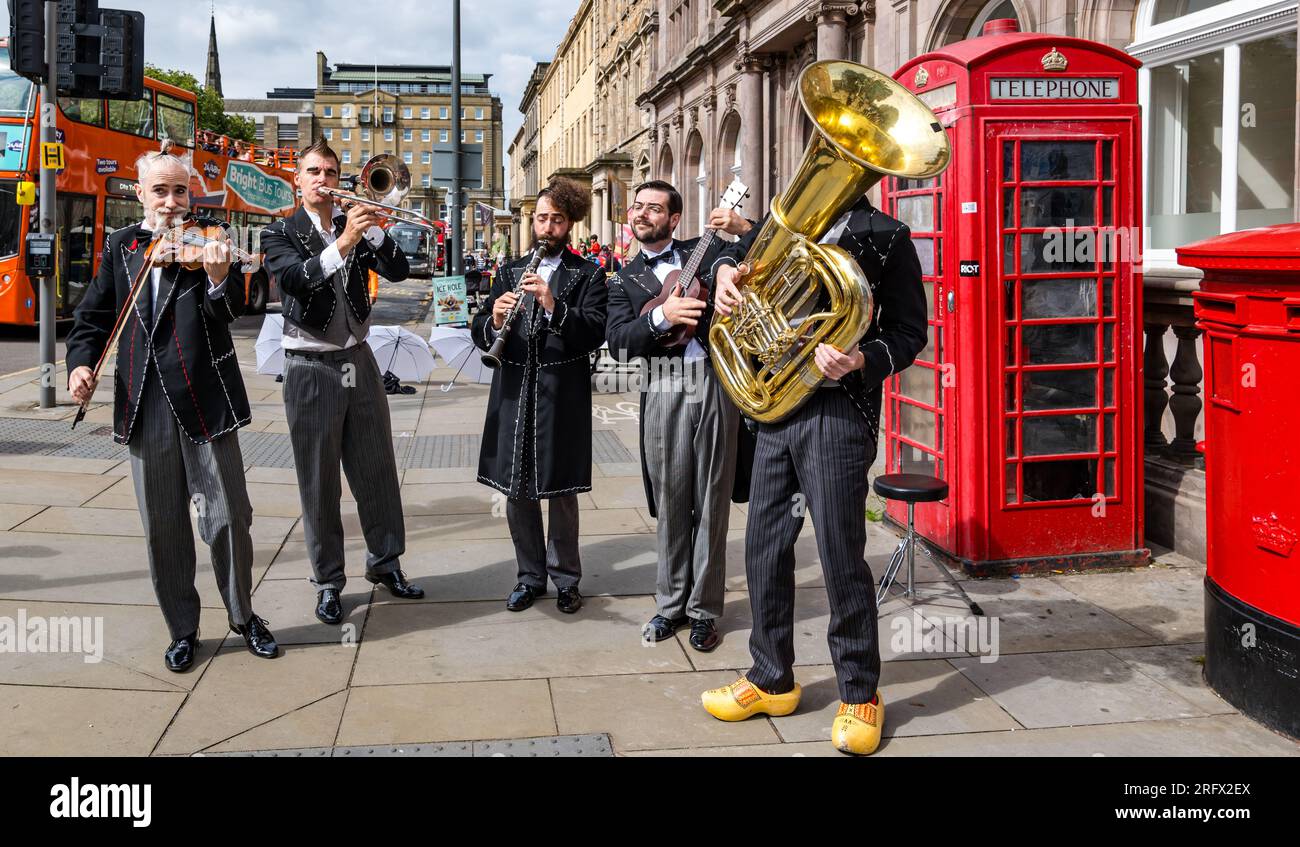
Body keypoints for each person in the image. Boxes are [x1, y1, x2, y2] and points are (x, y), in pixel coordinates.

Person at [700, 192, 928, 756]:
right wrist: (728, 272)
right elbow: (726, 260)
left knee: (839, 553)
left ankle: (859, 691)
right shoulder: (788, 219)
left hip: (837, 410)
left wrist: (860, 359)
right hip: (776, 404)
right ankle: (770, 676)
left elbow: (908, 332)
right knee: (763, 546)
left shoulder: (887, 235)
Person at [65, 144, 278, 672]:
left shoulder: (210, 240)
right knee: (163, 527)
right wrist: (79, 364)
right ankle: (182, 629)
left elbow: (226, 311)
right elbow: (92, 317)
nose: (171, 201)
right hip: (144, 404)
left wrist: (219, 275)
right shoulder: (122, 248)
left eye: (180, 190)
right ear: (140, 194)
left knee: (229, 518)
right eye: (160, 190)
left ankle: (243, 615)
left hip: (204, 398)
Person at [260, 139, 424, 627]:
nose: (323, 179)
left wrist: (370, 232)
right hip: (310, 365)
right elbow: (295, 279)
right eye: (314, 171)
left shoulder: (353, 223)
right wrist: (346, 241)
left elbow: (397, 269)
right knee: (319, 479)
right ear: (298, 179)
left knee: (376, 466)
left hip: (359, 358)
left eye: (330, 172)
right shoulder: (280, 232)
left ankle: (385, 561)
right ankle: (329, 580)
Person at [605, 181, 753, 652]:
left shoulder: (704, 251)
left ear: (673, 220)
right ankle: (669, 604)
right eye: (638, 206)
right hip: (663, 382)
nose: (643, 213)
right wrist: (661, 316)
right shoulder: (623, 279)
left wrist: (739, 230)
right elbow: (619, 343)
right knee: (671, 499)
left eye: (655, 208)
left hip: (714, 379)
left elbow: (756, 247)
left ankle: (705, 610)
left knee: (712, 498)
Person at [472, 177, 608, 614]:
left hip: (559, 394)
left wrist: (552, 304)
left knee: (561, 491)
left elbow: (592, 332)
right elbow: (480, 330)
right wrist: (493, 320)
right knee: (517, 489)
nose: (547, 227)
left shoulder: (588, 274)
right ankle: (529, 576)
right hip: (514, 390)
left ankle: (566, 578)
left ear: (570, 224)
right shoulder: (509, 270)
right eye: (542, 219)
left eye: (557, 220)